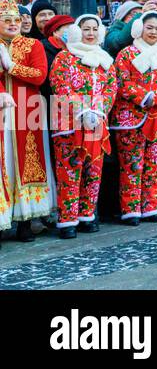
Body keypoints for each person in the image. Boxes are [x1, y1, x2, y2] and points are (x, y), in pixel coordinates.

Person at [109, 11, 157, 225]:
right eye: (150, 27)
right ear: (140, 28)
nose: (153, 32)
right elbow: (121, 82)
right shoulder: (126, 54)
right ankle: (130, 209)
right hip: (130, 118)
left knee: (154, 163)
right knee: (132, 164)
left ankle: (150, 206)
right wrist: (144, 97)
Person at [48, 14, 118, 238]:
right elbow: (60, 86)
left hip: (97, 122)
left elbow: (111, 88)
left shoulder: (105, 58)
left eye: (94, 29)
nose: (90, 33)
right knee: (70, 171)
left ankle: (87, 215)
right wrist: (81, 110)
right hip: (69, 124)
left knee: (94, 170)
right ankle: (67, 219)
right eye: (86, 29)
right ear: (78, 31)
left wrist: (99, 111)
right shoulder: (64, 58)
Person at [0, 0, 54, 247]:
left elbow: (40, 76)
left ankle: (25, 222)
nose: (12, 23)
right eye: (5, 19)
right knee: (4, 166)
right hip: (2, 114)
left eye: (15, 19)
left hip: (27, 113)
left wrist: (11, 66)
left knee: (26, 164)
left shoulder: (33, 45)